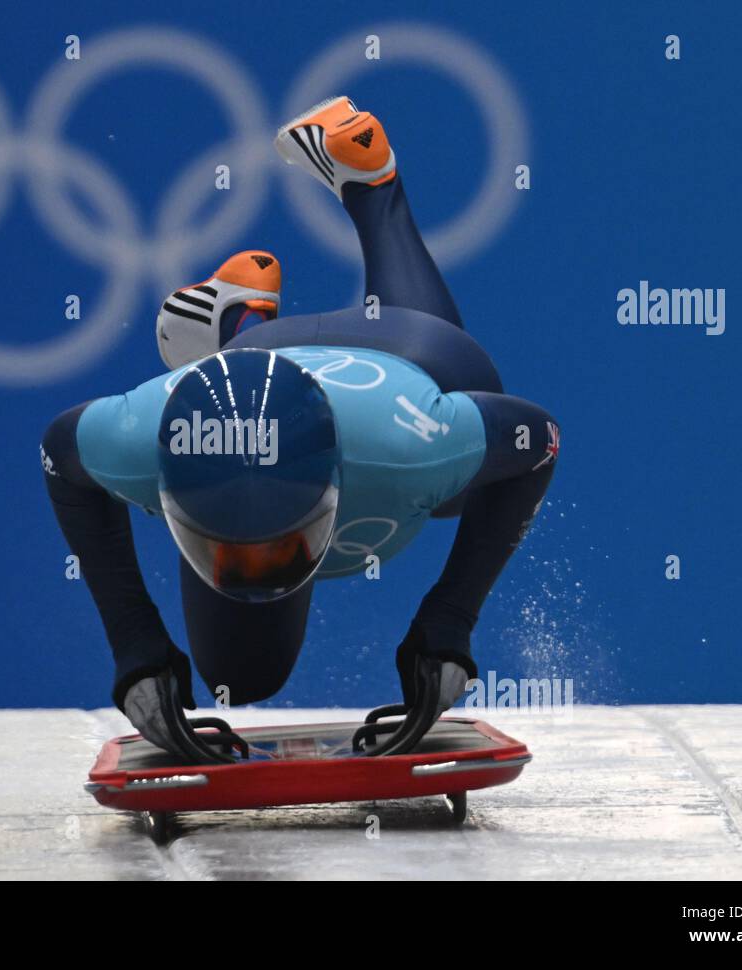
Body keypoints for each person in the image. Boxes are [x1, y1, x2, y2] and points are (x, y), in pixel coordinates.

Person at [42, 97, 560, 761]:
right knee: (240, 678)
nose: (258, 572)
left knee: (461, 483)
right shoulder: (140, 434)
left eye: (276, 546)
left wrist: (450, 619)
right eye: (229, 546)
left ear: (334, 485)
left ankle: (366, 199)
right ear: (169, 492)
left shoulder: (414, 444)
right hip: (264, 376)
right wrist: (135, 644)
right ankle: (254, 315)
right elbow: (58, 453)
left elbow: (539, 442)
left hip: (402, 356)